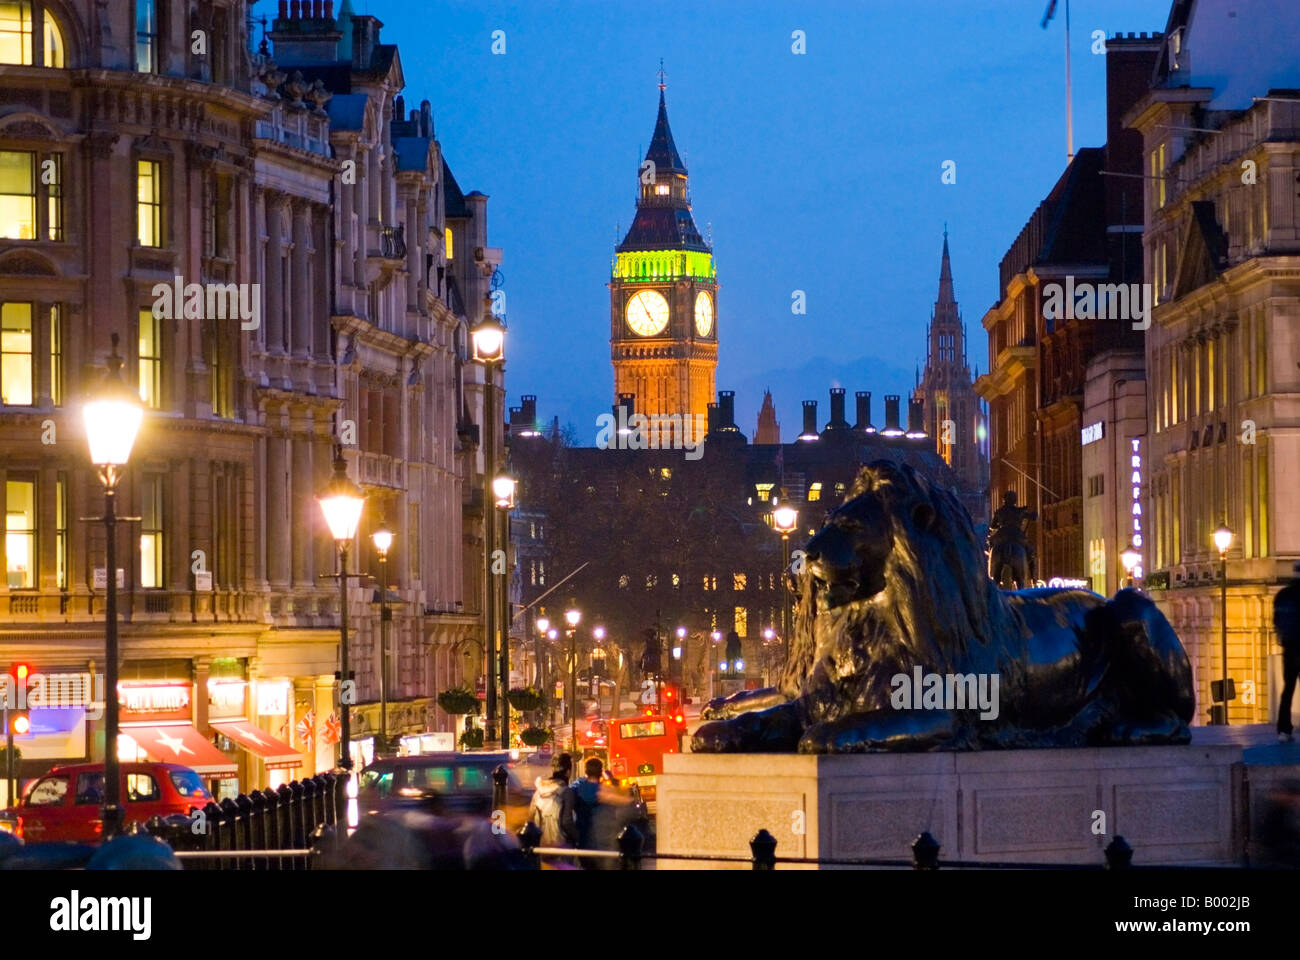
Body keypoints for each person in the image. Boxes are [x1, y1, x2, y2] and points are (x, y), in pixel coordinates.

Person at [527, 752, 577, 852]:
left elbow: (530, 818)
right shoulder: (566, 792)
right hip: (561, 846)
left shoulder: (538, 792)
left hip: (541, 845)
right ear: (568, 772)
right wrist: (577, 836)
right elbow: (566, 822)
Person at [1274, 562, 1300, 742]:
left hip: (1289, 647)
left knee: (1288, 688)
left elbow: (1276, 621)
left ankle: (1284, 729)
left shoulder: (1282, 595)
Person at [570, 756, 604, 866]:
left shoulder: (576, 789)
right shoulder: (605, 791)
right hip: (600, 839)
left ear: (586, 771)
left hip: (582, 837)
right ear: (600, 772)